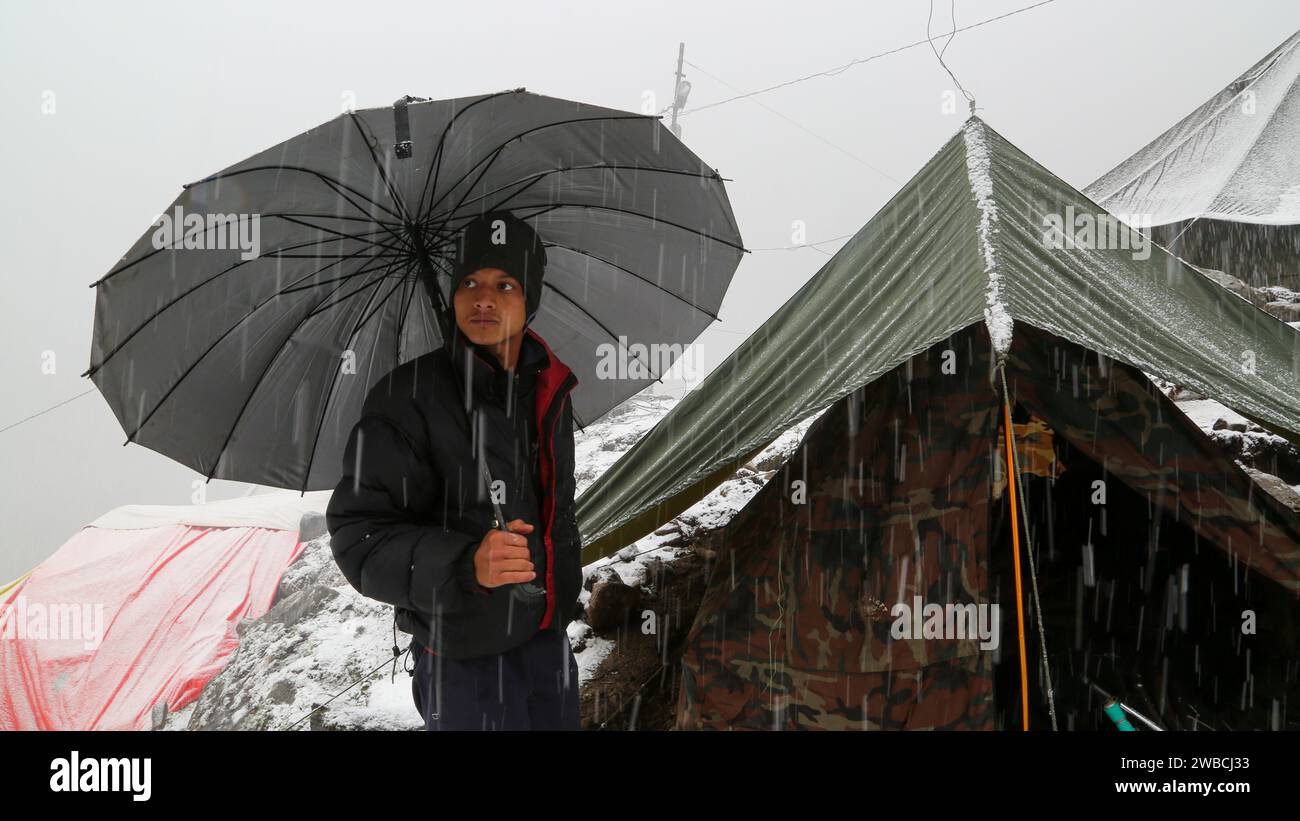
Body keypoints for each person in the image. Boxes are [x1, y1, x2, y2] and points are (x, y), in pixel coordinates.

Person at [325, 211, 583, 730]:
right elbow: (361, 537)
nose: (482, 298)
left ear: (529, 298)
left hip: (546, 643)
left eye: (504, 284)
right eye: (469, 282)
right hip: (463, 661)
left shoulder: (548, 388)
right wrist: (468, 564)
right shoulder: (406, 399)